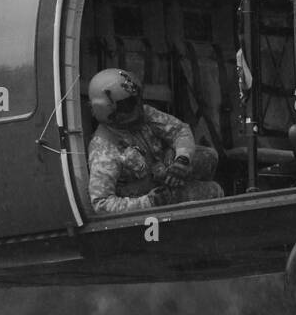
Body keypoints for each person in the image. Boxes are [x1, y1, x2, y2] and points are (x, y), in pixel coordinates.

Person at [86, 68, 223, 214]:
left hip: (163, 172)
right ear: (108, 111)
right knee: (214, 191)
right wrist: (149, 202)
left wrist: (182, 160)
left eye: (136, 99)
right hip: (149, 198)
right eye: (128, 104)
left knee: (209, 156)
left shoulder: (143, 115)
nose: (137, 107)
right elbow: (101, 204)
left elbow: (179, 130)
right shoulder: (104, 149)